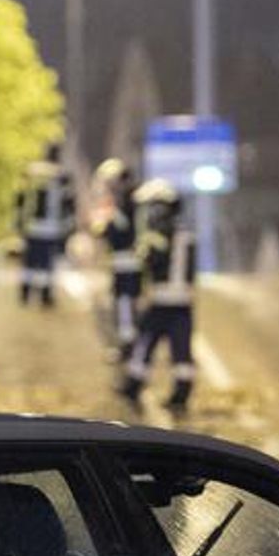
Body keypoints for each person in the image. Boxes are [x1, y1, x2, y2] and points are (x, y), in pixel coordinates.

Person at [120, 178, 198, 411]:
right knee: (181, 351)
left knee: (144, 344)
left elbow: (148, 264)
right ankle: (181, 394)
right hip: (183, 301)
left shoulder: (156, 236)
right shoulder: (187, 233)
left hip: (160, 300)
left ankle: (133, 386)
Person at [12, 142, 73, 307]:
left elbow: (20, 200)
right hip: (51, 229)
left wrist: (17, 225)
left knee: (30, 262)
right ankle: (45, 296)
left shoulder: (32, 173)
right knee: (47, 264)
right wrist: (67, 229)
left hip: (31, 227)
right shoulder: (60, 176)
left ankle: (25, 292)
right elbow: (68, 205)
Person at [92, 157, 141, 347]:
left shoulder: (126, 201)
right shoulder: (134, 198)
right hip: (130, 258)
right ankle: (129, 336)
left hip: (126, 258)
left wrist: (104, 229)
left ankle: (128, 338)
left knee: (124, 299)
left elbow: (118, 230)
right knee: (129, 298)